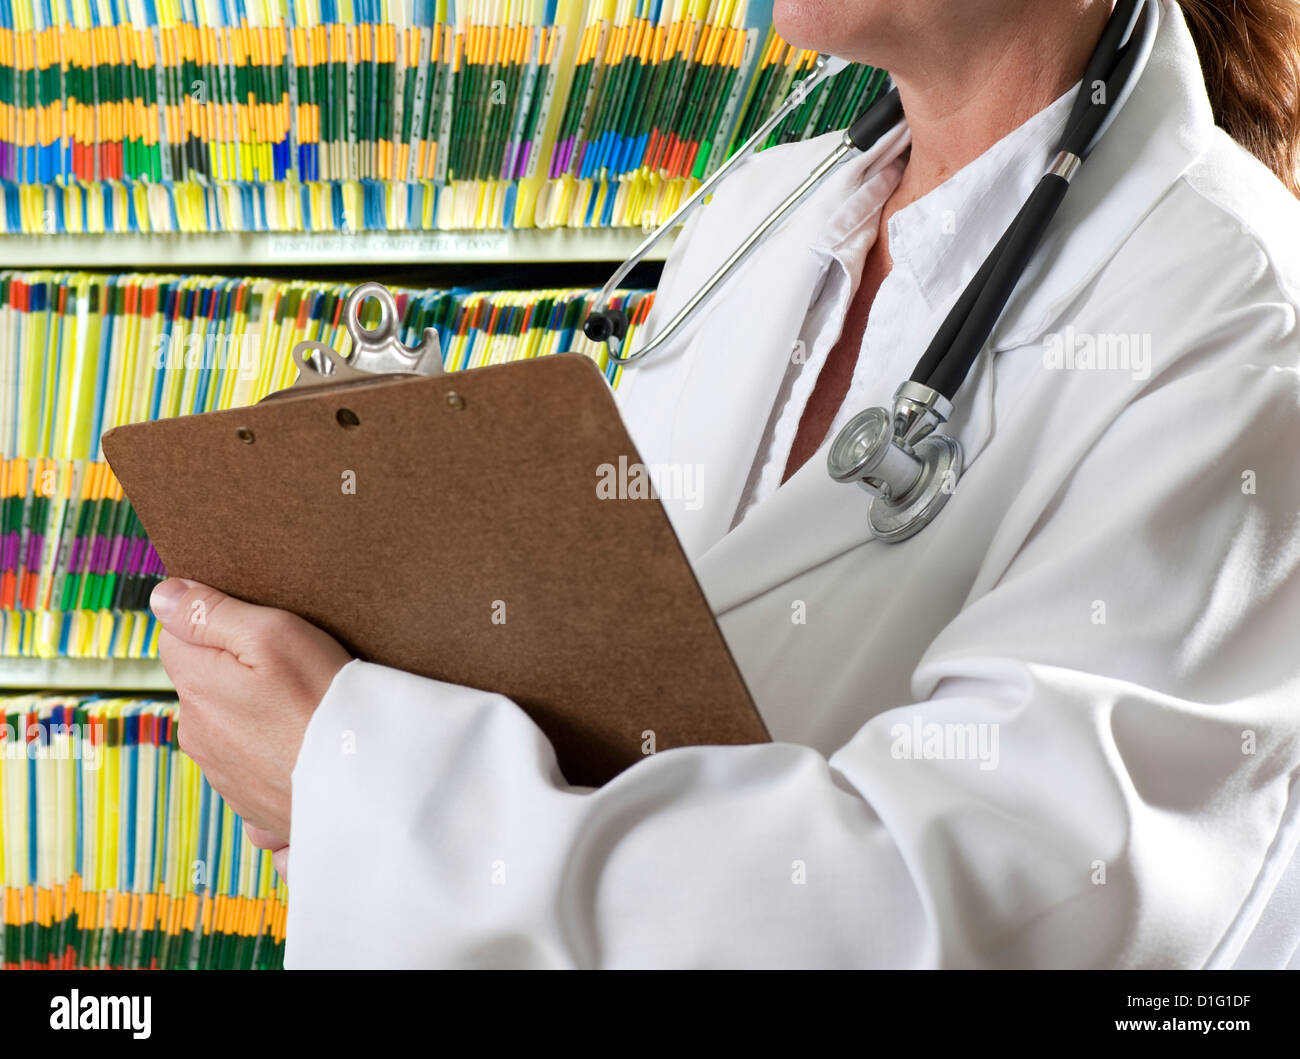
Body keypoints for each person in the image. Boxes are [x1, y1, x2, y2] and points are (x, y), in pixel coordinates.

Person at [148, 0, 1300, 968]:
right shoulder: (759, 216)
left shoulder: (1238, 319)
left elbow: (980, 912)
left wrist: (361, 783)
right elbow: (625, 692)